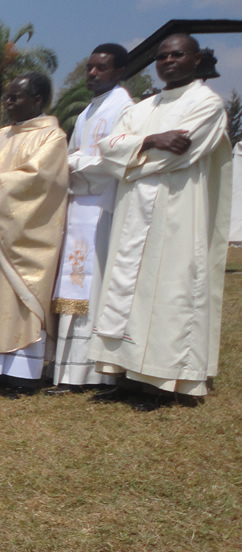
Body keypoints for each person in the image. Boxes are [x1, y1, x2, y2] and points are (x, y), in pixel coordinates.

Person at [88, 34, 232, 409]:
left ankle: (162, 382)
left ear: (196, 59)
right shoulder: (144, 106)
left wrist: (133, 158)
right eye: (162, 56)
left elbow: (180, 155)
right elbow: (108, 149)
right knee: (127, 291)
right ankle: (126, 376)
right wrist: (152, 139)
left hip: (177, 208)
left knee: (170, 291)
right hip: (133, 210)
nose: (168, 61)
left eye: (177, 54)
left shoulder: (207, 104)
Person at [0, 73, 69, 397]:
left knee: (16, 304)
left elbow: (38, 182)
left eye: (16, 97)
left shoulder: (51, 137)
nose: (8, 102)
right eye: (7, 97)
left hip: (23, 242)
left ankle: (22, 375)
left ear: (37, 100)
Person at [48, 44, 135, 395]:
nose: (92, 74)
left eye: (101, 68)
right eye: (89, 68)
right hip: (78, 206)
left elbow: (113, 160)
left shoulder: (124, 108)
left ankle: (97, 372)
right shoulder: (87, 111)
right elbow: (70, 156)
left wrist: (74, 164)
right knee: (72, 289)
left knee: (96, 288)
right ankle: (68, 371)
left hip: (102, 207)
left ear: (120, 72)